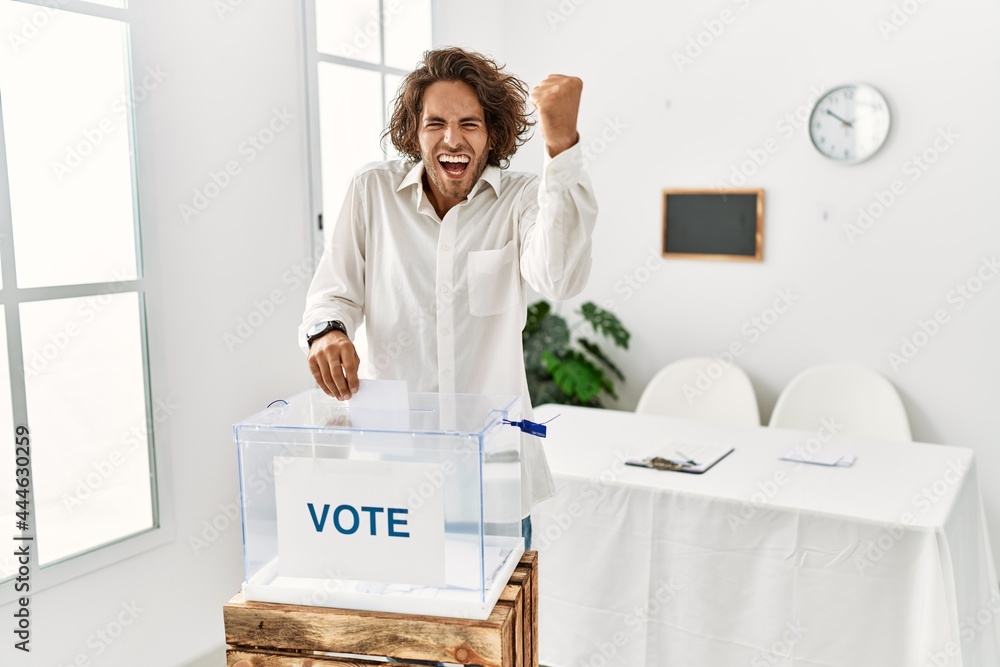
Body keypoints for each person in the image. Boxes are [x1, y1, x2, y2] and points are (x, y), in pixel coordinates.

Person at [299, 46, 597, 550]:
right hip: (392, 480)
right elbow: (332, 293)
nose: (452, 139)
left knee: (498, 628)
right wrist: (326, 332)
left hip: (494, 480)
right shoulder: (371, 192)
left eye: (469, 124)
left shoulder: (522, 200)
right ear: (414, 132)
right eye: (435, 123)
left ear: (493, 135)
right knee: (400, 626)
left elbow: (561, 277)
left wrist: (561, 146)